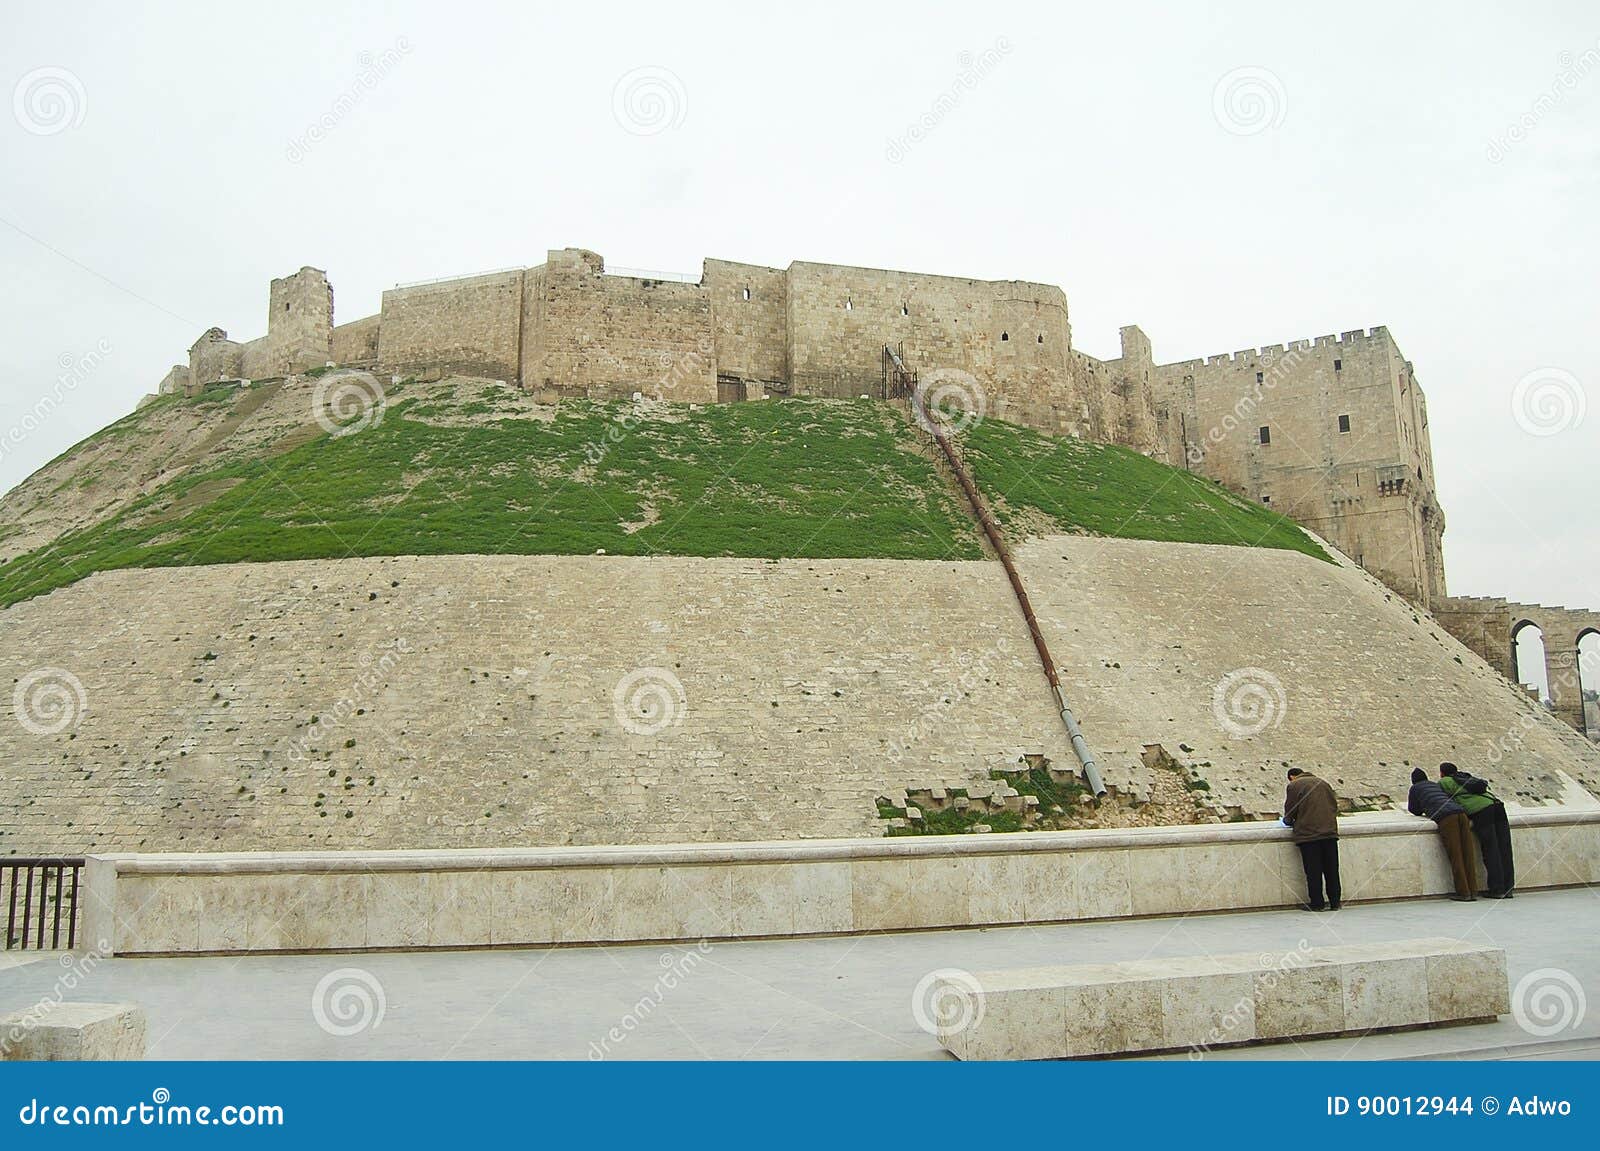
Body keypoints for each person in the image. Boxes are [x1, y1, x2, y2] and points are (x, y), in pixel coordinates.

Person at [1439, 762, 1515, 898]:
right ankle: (1508, 888)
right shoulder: (1466, 778)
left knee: (1491, 849)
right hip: (1497, 805)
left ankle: (1497, 889)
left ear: (1442, 773)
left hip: (1482, 812)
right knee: (1504, 849)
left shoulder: (1444, 782)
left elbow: (1443, 800)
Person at [1406, 767, 1478, 901]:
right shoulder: (1435, 784)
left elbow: (1414, 809)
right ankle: (1473, 891)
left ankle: (1463, 892)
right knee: (1467, 853)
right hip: (1461, 814)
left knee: (1455, 854)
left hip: (1446, 817)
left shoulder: (1415, 788)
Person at [1283, 768, 1341, 911]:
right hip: (1329, 832)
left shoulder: (1294, 785)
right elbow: (1334, 806)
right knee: (1332, 870)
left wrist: (1288, 820)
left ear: (1292, 777)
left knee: (1313, 871)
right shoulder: (1323, 783)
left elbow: (1291, 809)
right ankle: (1335, 902)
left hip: (1309, 834)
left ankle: (1317, 903)